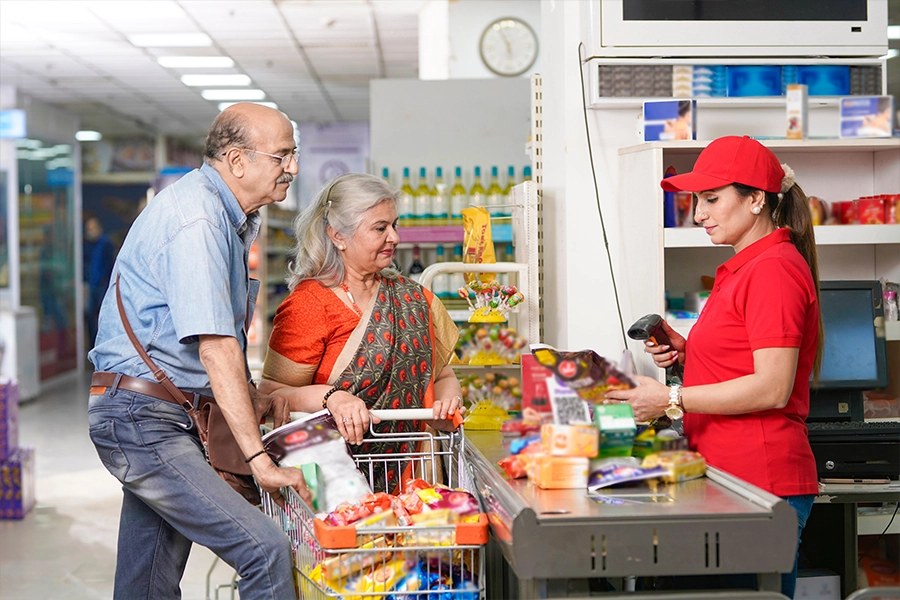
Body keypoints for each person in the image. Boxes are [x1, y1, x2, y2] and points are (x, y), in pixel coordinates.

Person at [87, 102, 311, 600]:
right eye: (282, 155)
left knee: (147, 585)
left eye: (293, 154)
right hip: (143, 421)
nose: (292, 167)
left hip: (157, 415)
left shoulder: (226, 218)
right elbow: (216, 346)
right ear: (237, 161)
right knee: (265, 551)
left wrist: (251, 401)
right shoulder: (200, 221)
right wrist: (259, 459)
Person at [606, 136, 821, 599]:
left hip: (760, 480)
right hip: (729, 476)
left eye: (711, 199)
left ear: (757, 199)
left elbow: (772, 387)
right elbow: (746, 358)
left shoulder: (773, 271)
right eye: (695, 201)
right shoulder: (746, 268)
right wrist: (691, 353)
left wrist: (670, 397)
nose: (699, 213)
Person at [259, 173, 463, 492]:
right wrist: (333, 398)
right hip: (335, 483)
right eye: (380, 228)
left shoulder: (414, 299)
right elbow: (272, 394)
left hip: (418, 478)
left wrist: (448, 404)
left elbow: (443, 376)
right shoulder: (309, 304)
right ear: (338, 235)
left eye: (395, 225)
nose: (394, 237)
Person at [83, 215, 115, 349]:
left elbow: (110, 265)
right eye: (88, 229)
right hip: (91, 287)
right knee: (90, 317)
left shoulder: (106, 244)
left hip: (102, 287)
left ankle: (105, 347)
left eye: (92, 228)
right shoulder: (87, 246)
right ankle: (93, 347)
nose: (90, 232)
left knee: (104, 318)